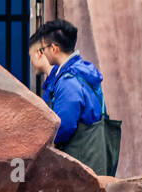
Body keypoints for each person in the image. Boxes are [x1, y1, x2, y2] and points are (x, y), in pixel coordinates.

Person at [29, 19, 117, 176]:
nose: (43, 53)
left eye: (44, 48)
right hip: (95, 157)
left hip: (80, 163)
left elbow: (64, 126)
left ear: (54, 48)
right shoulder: (84, 71)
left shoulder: (68, 81)